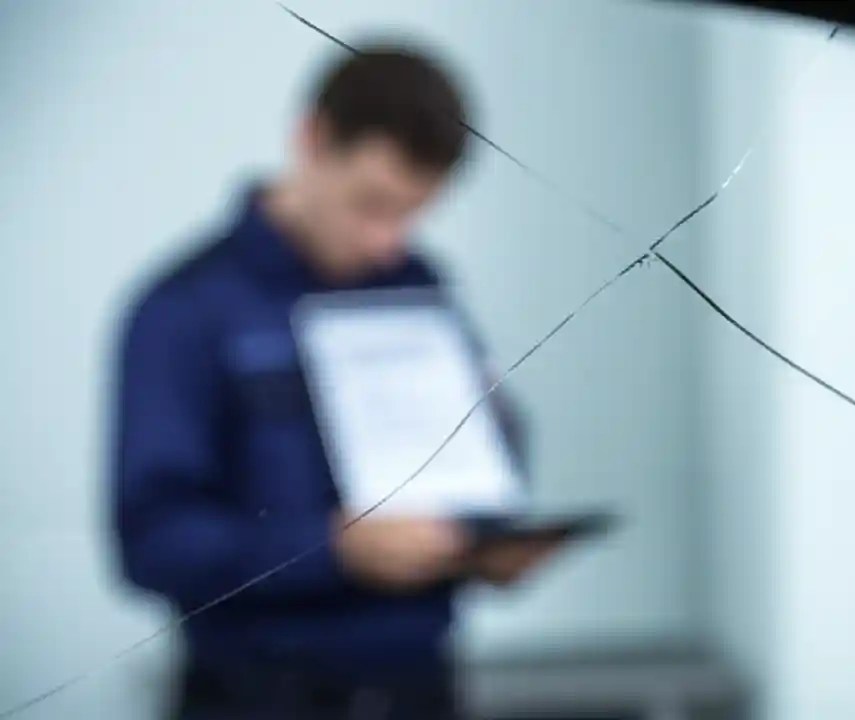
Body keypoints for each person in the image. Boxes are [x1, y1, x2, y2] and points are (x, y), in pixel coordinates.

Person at [111, 43, 557, 719]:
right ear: (312, 141)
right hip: (257, 697)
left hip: (420, 690)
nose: (389, 241)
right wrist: (334, 549)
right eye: (372, 204)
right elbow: (152, 541)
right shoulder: (183, 310)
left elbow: (478, 462)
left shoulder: (420, 286)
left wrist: (487, 540)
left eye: (414, 212)